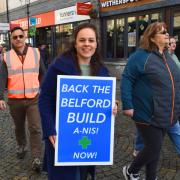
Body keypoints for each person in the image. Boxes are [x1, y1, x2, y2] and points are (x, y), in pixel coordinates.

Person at [38, 23, 118, 180]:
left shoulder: (102, 70)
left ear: (96, 44)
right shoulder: (59, 66)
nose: (87, 44)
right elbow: (44, 99)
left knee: (81, 174)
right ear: (75, 43)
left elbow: (105, 99)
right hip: (63, 134)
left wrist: (113, 105)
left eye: (91, 40)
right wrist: (49, 130)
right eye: (82, 40)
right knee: (65, 175)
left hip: (89, 136)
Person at [121, 22, 180, 180]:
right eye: (162, 32)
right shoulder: (140, 56)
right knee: (154, 147)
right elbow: (127, 79)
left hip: (167, 112)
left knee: (154, 148)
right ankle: (131, 171)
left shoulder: (167, 56)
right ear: (152, 38)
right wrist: (127, 105)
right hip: (147, 112)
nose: (167, 34)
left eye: (167, 31)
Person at [0, 26, 46, 171]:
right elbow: (1, 78)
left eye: (20, 36)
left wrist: (45, 92)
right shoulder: (6, 57)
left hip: (34, 98)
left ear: (25, 37)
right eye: (15, 37)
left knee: (35, 128)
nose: (18, 39)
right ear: (11, 40)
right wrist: (0, 97)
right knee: (19, 127)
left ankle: (37, 157)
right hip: (15, 100)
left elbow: (43, 73)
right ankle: (21, 146)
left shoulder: (36, 53)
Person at [133, 36, 180, 158]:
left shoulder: (170, 57)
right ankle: (139, 150)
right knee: (144, 128)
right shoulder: (146, 58)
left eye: (173, 43)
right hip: (152, 105)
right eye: (170, 43)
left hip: (168, 105)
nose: (172, 45)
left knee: (174, 131)